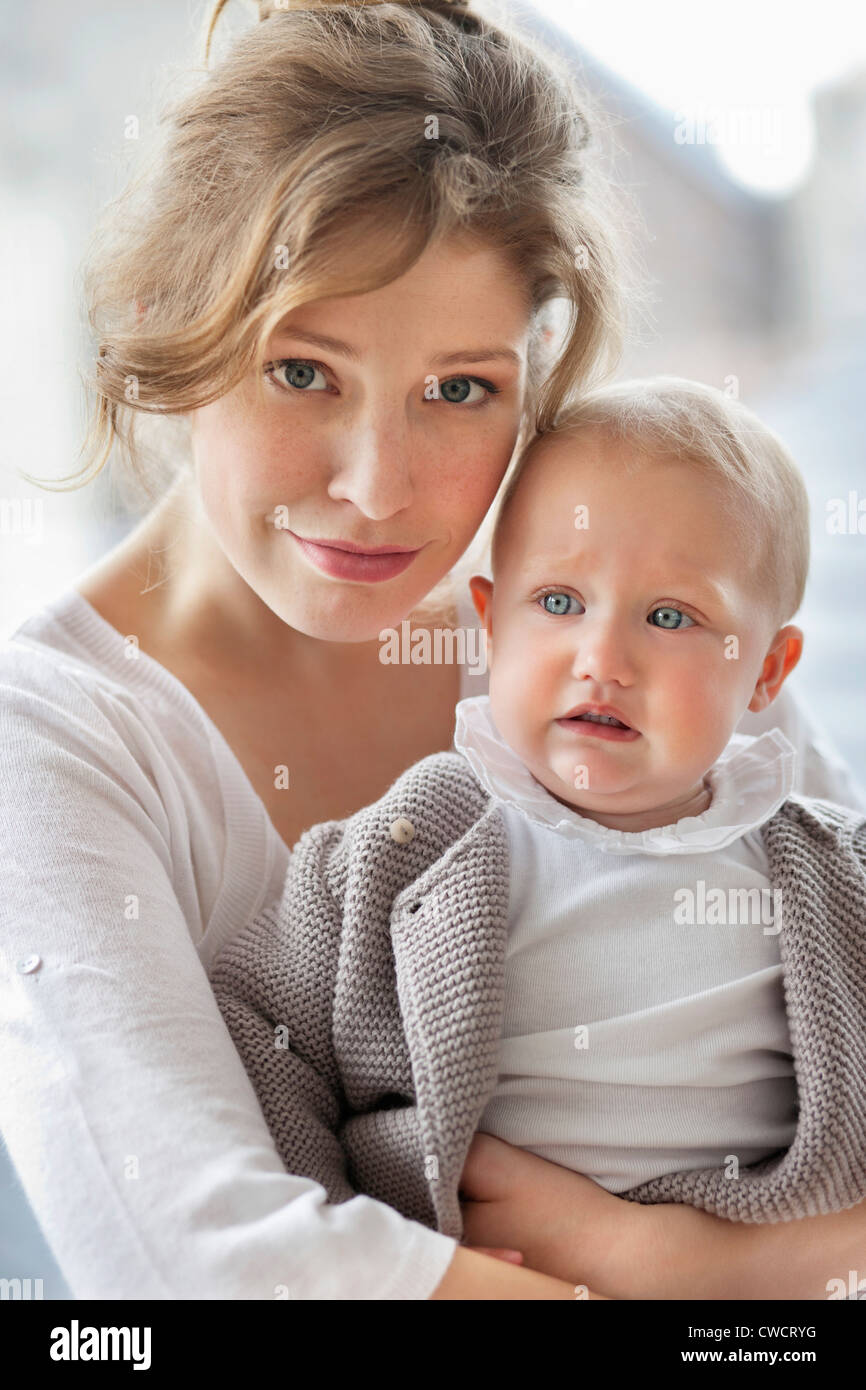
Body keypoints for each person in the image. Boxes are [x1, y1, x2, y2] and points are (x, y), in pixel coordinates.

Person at [0, 0, 862, 1301]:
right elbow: (201, 1258)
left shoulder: (610, 626)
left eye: (459, 389)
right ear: (163, 315)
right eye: (304, 370)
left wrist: (672, 1257)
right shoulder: (51, 740)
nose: (378, 489)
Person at [209, 377, 866, 1295]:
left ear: (767, 669)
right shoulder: (407, 848)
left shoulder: (837, 878)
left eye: (670, 617)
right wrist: (365, 1257)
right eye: (558, 602)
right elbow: (265, 1037)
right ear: (490, 622)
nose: (603, 658)